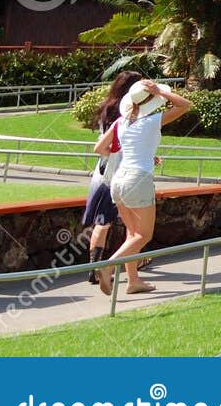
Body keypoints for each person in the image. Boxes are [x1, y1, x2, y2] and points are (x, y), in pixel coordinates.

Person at [96, 79, 191, 296]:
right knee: (144, 235)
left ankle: (133, 281)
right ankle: (107, 266)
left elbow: (101, 148)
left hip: (119, 180)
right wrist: (161, 91)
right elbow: (185, 105)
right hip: (138, 180)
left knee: (132, 233)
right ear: (153, 102)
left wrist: (145, 155)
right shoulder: (151, 122)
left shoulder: (121, 122)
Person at [82, 69, 142, 287]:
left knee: (103, 221)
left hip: (102, 172)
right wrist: (120, 157)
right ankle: (101, 269)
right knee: (119, 223)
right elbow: (105, 146)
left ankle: (94, 268)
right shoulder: (124, 112)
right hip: (118, 173)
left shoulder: (107, 107)